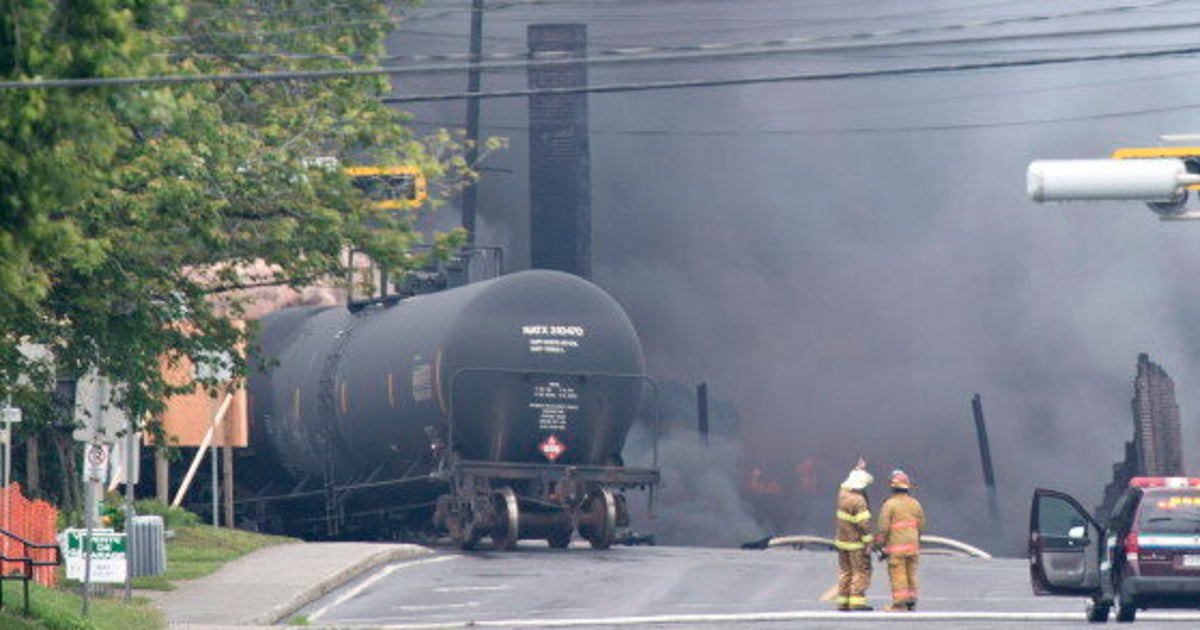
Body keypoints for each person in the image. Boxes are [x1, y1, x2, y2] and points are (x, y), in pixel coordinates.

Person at [875, 469, 926, 612]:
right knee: (911, 573)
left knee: (898, 574)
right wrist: (917, 540)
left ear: (892, 486)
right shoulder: (915, 504)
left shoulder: (890, 505)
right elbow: (921, 524)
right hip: (913, 546)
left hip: (897, 547)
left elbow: (883, 527)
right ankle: (911, 601)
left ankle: (899, 604)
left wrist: (879, 544)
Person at [834, 457, 874, 611]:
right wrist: (869, 543)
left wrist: (859, 470)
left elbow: (850, 481)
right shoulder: (858, 501)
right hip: (855, 543)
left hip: (842, 541)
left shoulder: (842, 493)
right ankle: (857, 603)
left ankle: (843, 602)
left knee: (845, 571)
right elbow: (864, 525)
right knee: (860, 571)